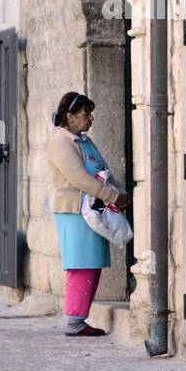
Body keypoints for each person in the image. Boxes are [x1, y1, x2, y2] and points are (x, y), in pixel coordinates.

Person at [47, 91, 129, 337]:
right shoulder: (60, 143)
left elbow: (103, 169)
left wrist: (120, 190)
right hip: (74, 210)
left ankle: (80, 317)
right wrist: (113, 196)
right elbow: (79, 177)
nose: (90, 118)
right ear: (69, 117)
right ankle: (75, 320)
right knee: (80, 263)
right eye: (86, 114)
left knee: (92, 263)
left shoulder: (85, 141)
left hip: (93, 209)